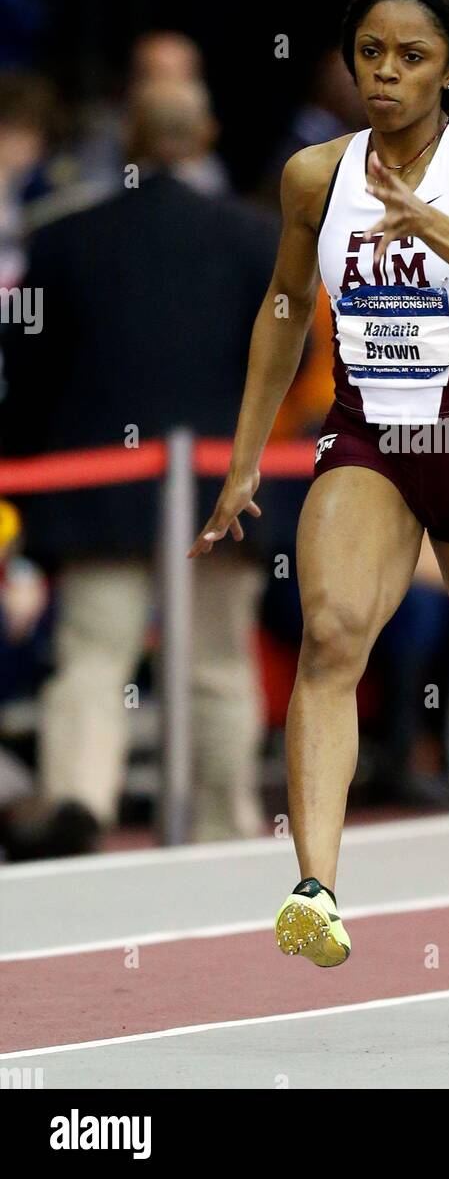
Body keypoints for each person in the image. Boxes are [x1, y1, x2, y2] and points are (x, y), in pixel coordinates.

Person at [189, 0, 449, 967]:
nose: (385, 73)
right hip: (368, 437)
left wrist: (441, 227)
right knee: (330, 636)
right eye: (369, 52)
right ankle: (315, 888)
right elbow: (285, 308)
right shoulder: (312, 175)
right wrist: (245, 458)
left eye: (409, 57)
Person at [1, 78, 280, 851]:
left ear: (127, 140)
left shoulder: (62, 238)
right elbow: (290, 367)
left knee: (92, 660)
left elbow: (27, 378)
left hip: (99, 491)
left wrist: (27, 469)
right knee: (220, 664)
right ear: (207, 135)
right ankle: (227, 822)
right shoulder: (257, 238)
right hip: (227, 486)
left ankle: (75, 808)